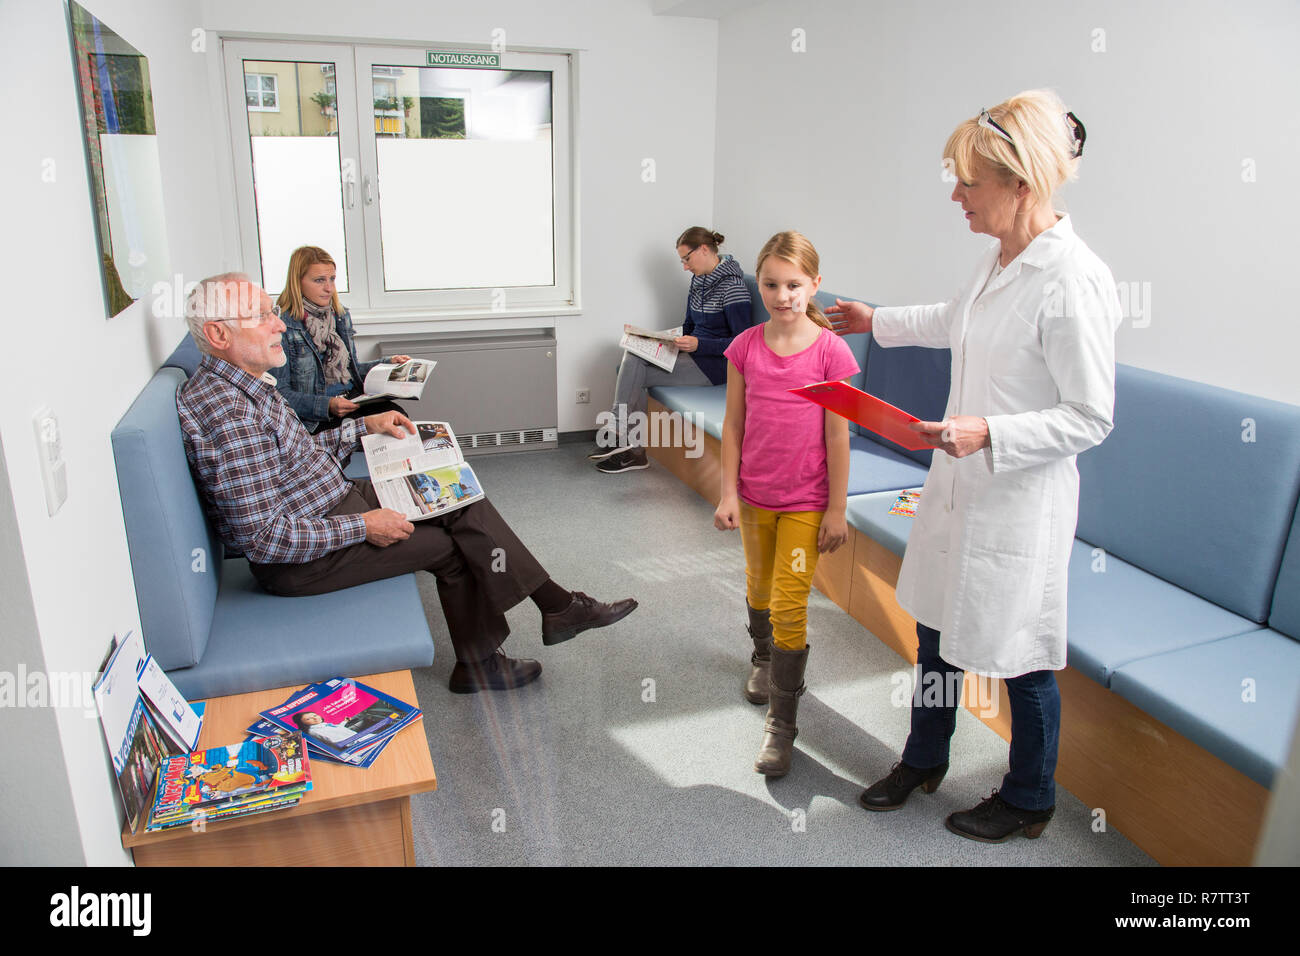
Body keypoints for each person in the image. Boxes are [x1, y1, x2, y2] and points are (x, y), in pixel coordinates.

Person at [826, 90, 1119, 842]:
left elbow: (1091, 416)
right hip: (957, 487)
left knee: (1021, 656)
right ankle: (924, 757)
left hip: (1018, 501)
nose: (956, 195)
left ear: (1022, 183)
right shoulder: (1000, 258)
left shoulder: (1072, 279)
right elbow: (952, 318)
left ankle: (1029, 798)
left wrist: (989, 432)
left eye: (969, 182)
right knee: (933, 630)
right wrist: (874, 319)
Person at [178, 273, 638, 693]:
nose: (279, 324)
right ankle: (487, 659)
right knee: (451, 545)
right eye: (261, 316)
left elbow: (297, 460)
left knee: (454, 490)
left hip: (333, 500)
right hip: (306, 558)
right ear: (220, 334)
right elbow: (262, 539)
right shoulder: (230, 412)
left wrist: (365, 426)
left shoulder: (246, 384)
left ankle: (556, 607)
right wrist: (365, 527)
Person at [713, 232, 859, 777]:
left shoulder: (830, 351)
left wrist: (837, 509)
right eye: (771, 284)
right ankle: (762, 656)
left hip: (806, 502)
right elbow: (733, 424)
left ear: (814, 285)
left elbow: (839, 438)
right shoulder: (745, 345)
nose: (782, 295)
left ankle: (782, 726)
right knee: (758, 584)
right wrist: (728, 491)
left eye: (794, 284)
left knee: (790, 603)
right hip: (754, 495)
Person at [593, 227, 752, 474]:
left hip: (715, 367)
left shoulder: (734, 287)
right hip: (692, 355)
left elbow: (744, 344)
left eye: (687, 259)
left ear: (704, 250)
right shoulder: (698, 280)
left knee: (633, 372)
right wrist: (664, 339)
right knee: (633, 353)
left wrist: (699, 344)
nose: (685, 267)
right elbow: (689, 325)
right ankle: (626, 441)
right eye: (682, 261)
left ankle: (629, 445)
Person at [273, 245, 411, 432]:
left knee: (398, 418)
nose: (329, 288)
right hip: (317, 414)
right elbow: (279, 393)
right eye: (319, 280)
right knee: (365, 431)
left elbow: (350, 370)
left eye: (332, 279)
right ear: (297, 282)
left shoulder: (339, 315)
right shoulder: (282, 325)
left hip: (352, 400)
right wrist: (327, 405)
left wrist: (389, 363)